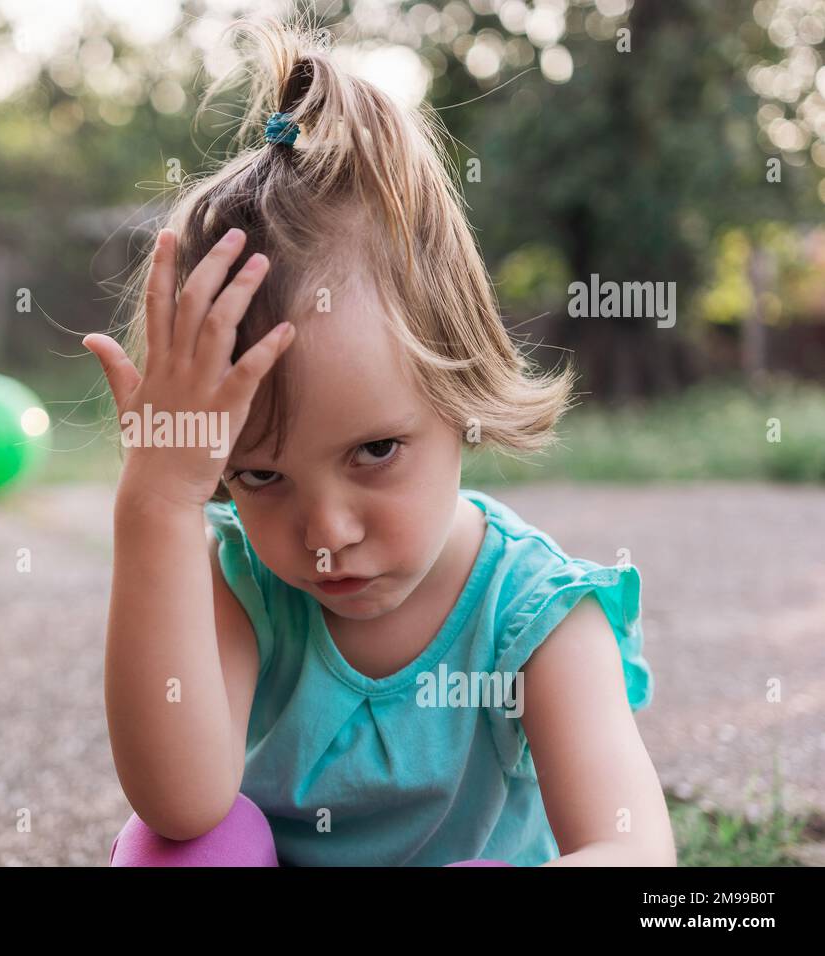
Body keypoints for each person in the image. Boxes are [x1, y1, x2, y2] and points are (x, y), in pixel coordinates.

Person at [83, 16, 673, 867]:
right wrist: (159, 505)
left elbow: (632, 853)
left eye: (375, 452)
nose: (327, 535)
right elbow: (180, 802)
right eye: (258, 473)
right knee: (178, 847)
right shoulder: (242, 583)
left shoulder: (534, 614)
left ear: (458, 388)